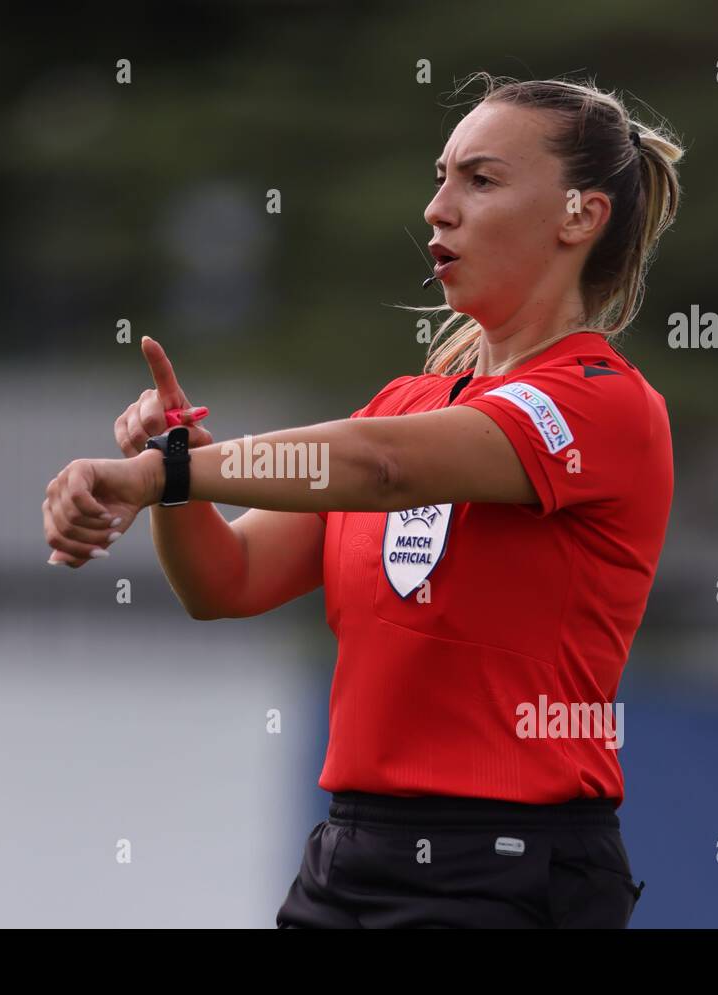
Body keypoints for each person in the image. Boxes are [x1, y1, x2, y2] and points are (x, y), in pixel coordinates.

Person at [41, 73, 682, 928]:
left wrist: (172, 473)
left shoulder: (599, 401)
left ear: (580, 215)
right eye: (440, 176)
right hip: (350, 855)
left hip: (508, 868)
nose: (437, 209)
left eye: (480, 181)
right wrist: (173, 471)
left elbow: (383, 469)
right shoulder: (406, 405)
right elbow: (225, 582)